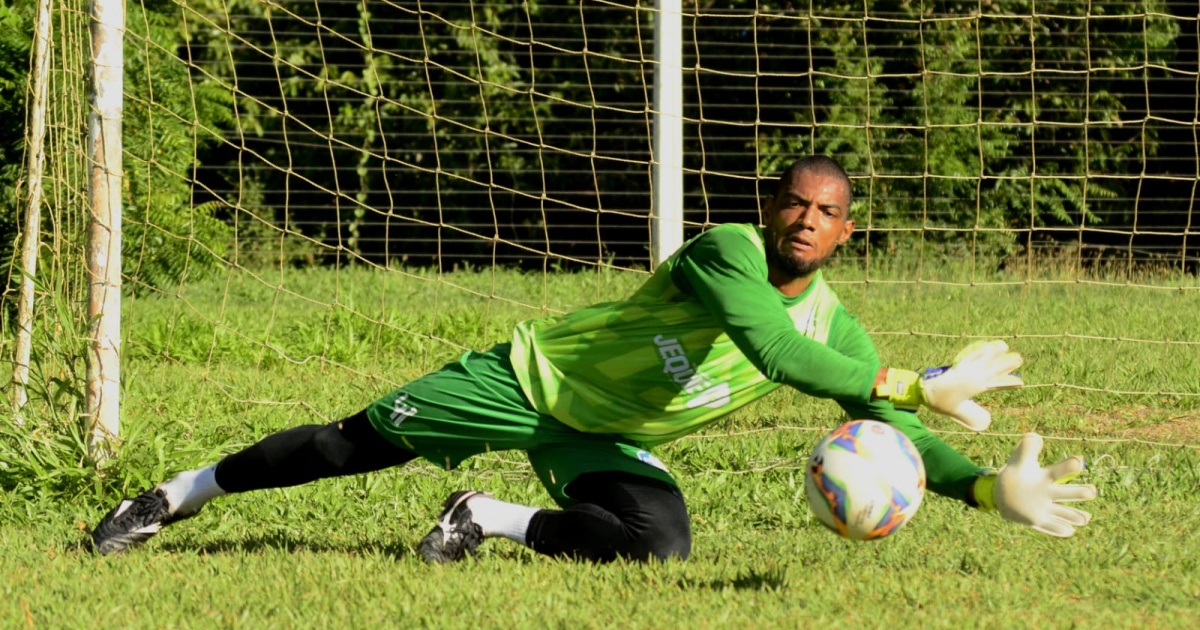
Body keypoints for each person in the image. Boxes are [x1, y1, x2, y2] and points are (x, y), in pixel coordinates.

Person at [91, 155, 1098, 562]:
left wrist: (980, 492)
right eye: (794, 200)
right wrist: (916, 379)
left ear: (845, 234)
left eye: (826, 213)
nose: (805, 219)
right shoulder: (727, 253)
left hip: (603, 434)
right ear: (769, 205)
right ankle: (182, 494)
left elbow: (895, 428)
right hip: (526, 383)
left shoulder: (842, 325)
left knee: (658, 546)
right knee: (353, 445)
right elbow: (775, 351)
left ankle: (486, 517)